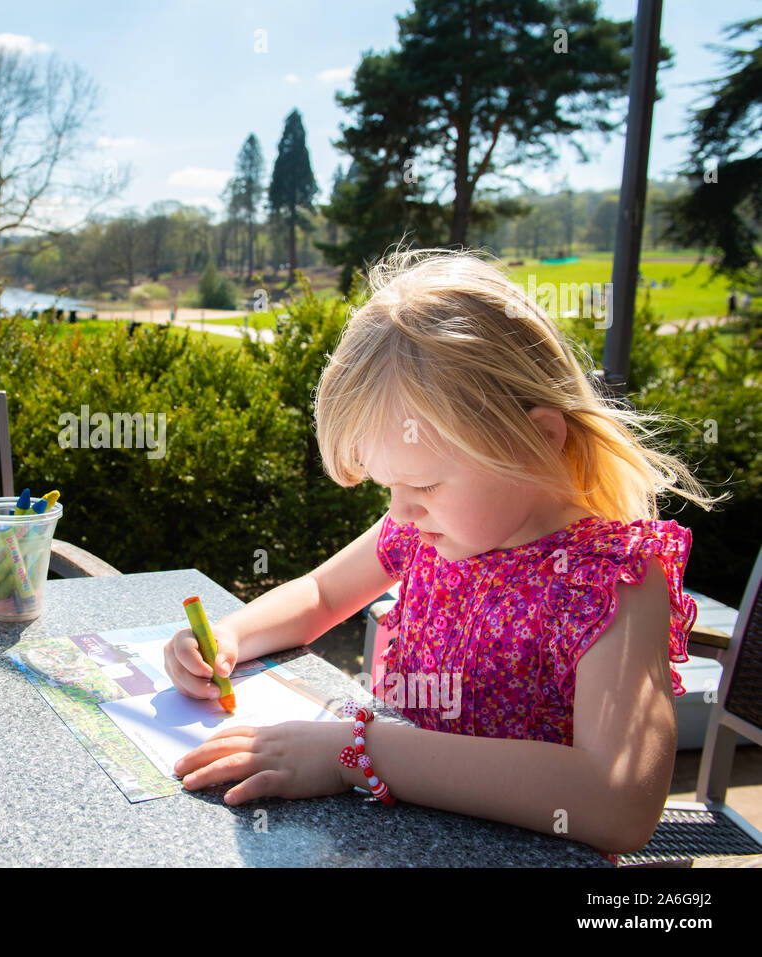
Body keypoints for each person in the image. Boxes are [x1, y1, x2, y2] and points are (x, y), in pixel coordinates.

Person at [164, 248, 727, 856]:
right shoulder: (425, 530)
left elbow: (617, 801)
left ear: (534, 440)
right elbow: (320, 595)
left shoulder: (609, 582)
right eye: (389, 486)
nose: (401, 510)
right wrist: (227, 638)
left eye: (425, 484)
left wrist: (356, 753)